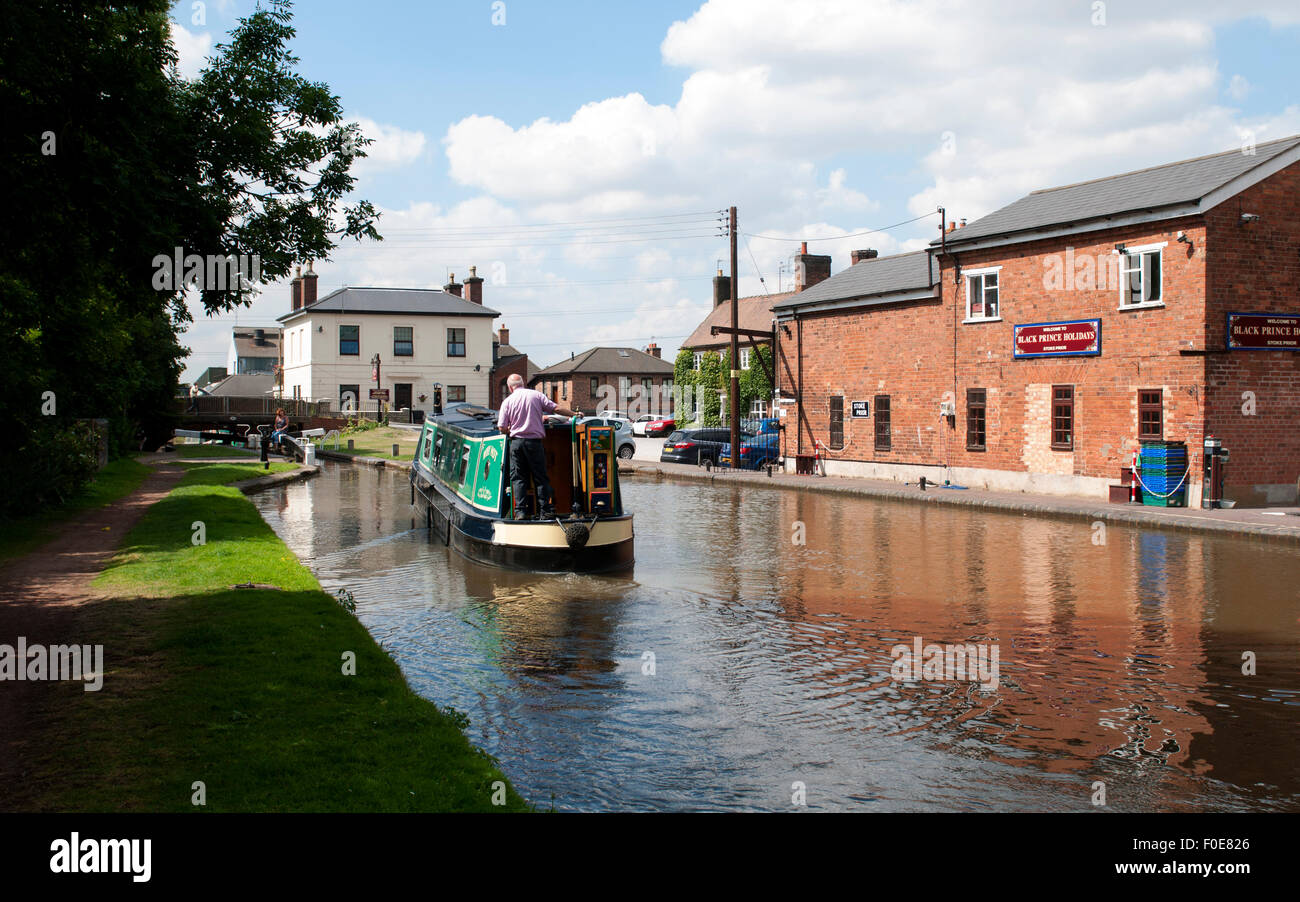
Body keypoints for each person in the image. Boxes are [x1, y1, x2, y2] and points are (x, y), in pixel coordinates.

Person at [496, 374, 576, 520]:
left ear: (509, 387)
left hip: (517, 443)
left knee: (518, 478)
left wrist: (512, 429)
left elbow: (501, 427)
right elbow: (556, 409)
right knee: (540, 477)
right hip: (534, 442)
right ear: (524, 383)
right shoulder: (536, 395)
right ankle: (545, 511)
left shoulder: (507, 401)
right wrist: (574, 414)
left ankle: (520, 512)